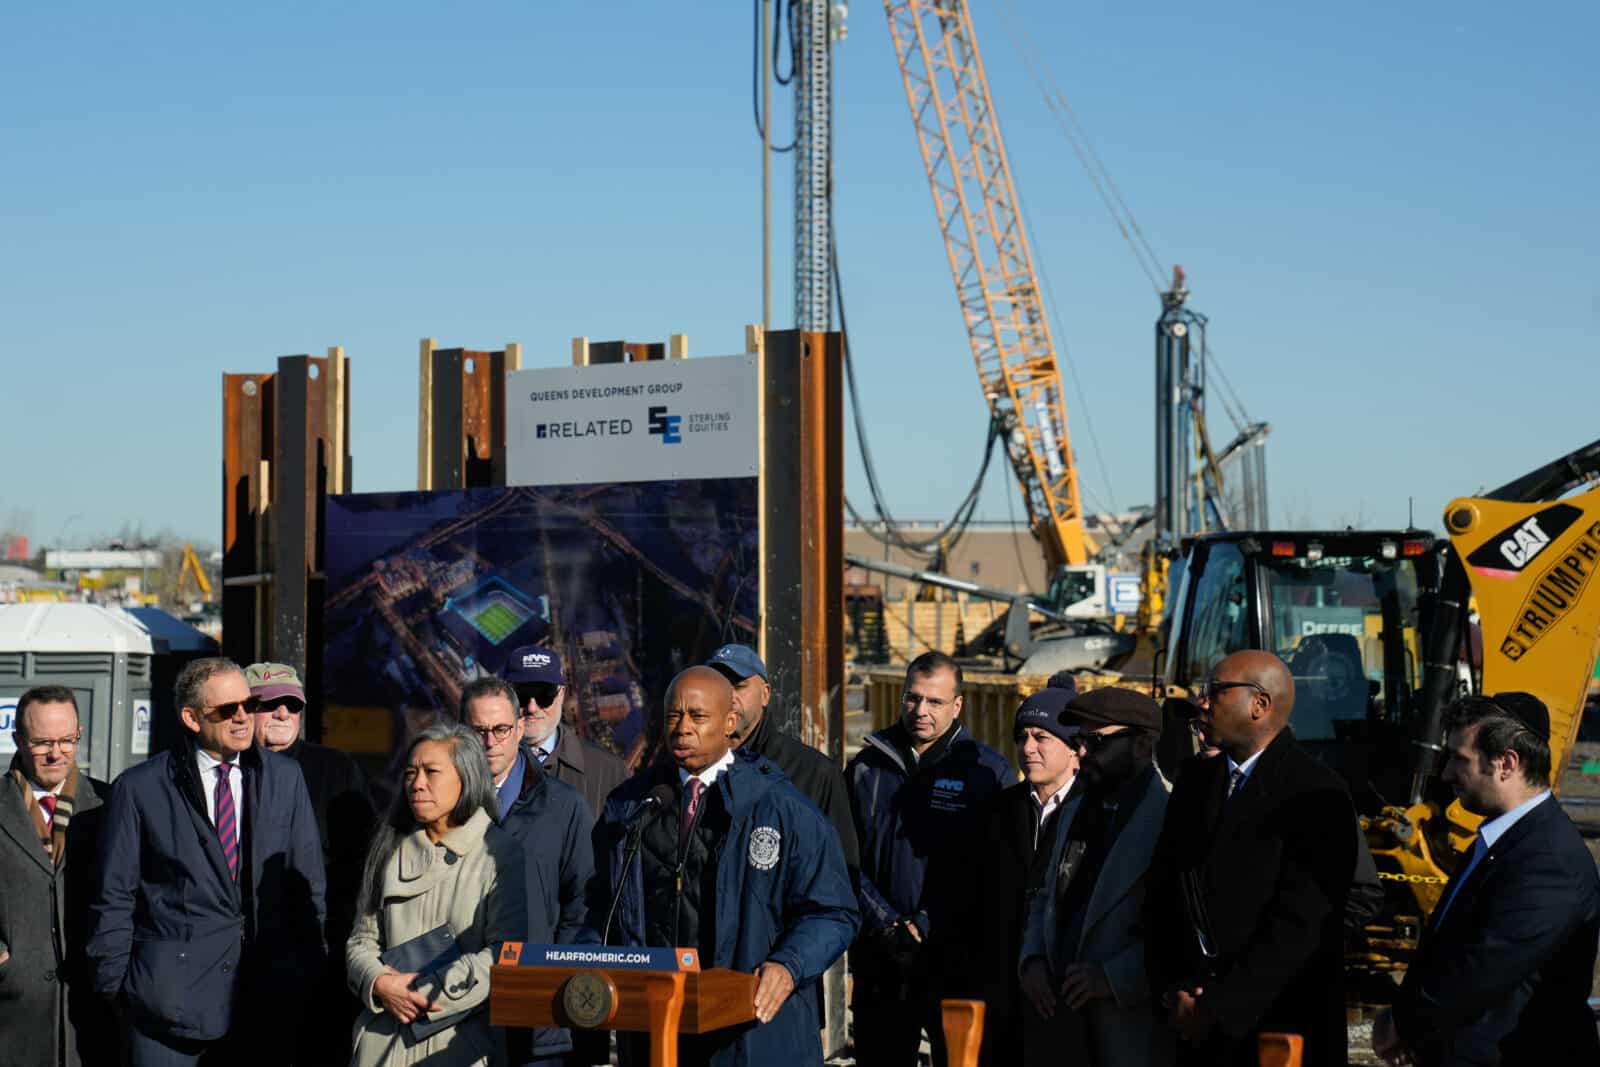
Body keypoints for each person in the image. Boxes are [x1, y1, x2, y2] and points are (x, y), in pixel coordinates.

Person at [586, 666, 858, 1067]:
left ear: (731, 723)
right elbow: (599, 908)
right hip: (656, 1033)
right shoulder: (630, 807)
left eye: (697, 716)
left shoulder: (781, 808)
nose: (682, 728)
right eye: (674, 716)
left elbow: (834, 912)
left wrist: (788, 965)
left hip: (751, 1034)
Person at [87, 656, 327, 1065]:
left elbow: (307, 884)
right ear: (192, 718)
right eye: (226, 710)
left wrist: (302, 974)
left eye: (249, 705)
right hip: (165, 1009)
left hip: (262, 1002)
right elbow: (113, 897)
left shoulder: (285, 779)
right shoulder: (139, 788)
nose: (242, 718)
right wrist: (117, 987)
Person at [1145, 650, 1356, 1067]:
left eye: (1215, 691)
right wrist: (1175, 993)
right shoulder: (1195, 781)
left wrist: (1217, 1008)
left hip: (1274, 1030)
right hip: (1190, 1027)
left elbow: (1299, 926)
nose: (1201, 702)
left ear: (1260, 704)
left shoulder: (1316, 794)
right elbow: (1165, 891)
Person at [1373, 693, 1600, 1066]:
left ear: (1506, 763)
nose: (1445, 774)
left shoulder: (1549, 859)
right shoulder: (1501, 839)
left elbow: (1482, 969)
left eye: (1459, 760)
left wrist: (1403, 1022)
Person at [845, 651, 1013, 1067]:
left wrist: (926, 922)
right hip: (882, 958)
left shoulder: (987, 773)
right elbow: (844, 856)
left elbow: (990, 871)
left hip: (955, 961)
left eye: (935, 702)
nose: (921, 711)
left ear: (957, 706)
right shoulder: (868, 767)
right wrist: (884, 921)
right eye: (912, 698)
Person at [347, 722, 530, 1067]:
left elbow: (505, 954)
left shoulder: (499, 853)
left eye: (431, 772)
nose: (417, 784)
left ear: (467, 778)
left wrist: (426, 993)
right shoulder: (389, 849)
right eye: (411, 773)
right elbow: (361, 941)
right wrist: (380, 983)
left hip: (461, 1046)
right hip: (383, 1043)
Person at [1017, 686, 1173, 1066]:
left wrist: (1112, 979)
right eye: (1081, 740)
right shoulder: (1076, 810)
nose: (1083, 752)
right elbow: (1044, 895)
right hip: (1062, 1029)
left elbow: (1176, 932)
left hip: (1128, 1030)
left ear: (1142, 745)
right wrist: (1033, 959)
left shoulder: (1171, 816)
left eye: (1098, 742)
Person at [460, 677, 595, 1067]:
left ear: (519, 728)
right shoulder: (440, 803)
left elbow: (583, 906)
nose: (490, 742)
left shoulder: (563, 807)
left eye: (501, 729)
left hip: (537, 1021)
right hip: (454, 1018)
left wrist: (551, 977)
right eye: (478, 731)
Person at [246, 660, 377, 1062]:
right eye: (269, 704)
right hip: (239, 968)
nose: (283, 713)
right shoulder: (222, 772)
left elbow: (365, 864)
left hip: (320, 964)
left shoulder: (335, 769)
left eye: (292, 704)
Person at [965, 687, 1080, 1067]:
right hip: (1002, 998)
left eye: (1041, 737)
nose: (1028, 748)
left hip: (1066, 1000)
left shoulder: (1093, 814)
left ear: (1074, 748)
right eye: (1022, 737)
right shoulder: (997, 813)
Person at [0, 686, 111, 1067]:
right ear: (18, 740)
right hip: (12, 1013)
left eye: (67, 740)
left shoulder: (111, 804)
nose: (55, 753)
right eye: (42, 742)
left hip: (92, 1011)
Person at [705, 643, 858, 871]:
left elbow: (842, 872)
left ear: (765, 694)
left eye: (739, 685)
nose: (729, 696)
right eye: (718, 686)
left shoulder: (815, 773)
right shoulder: (689, 770)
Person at [504, 645, 627, 818]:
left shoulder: (610, 772)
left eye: (544, 695)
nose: (532, 707)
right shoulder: (477, 767)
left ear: (561, 695)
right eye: (521, 695)